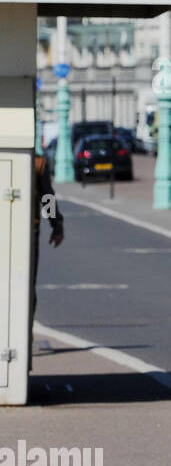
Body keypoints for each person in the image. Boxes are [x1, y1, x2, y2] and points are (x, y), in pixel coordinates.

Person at [30, 149, 64, 347]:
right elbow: (47, 197)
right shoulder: (37, 162)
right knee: (27, 285)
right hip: (28, 232)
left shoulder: (37, 163)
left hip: (28, 231)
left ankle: (23, 332)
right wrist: (56, 225)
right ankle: (24, 332)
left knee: (27, 286)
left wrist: (56, 224)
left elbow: (47, 198)